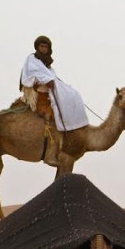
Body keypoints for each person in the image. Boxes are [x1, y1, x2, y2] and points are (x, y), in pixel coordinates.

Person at [19, 36, 88, 164]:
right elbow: (33, 74)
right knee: (50, 113)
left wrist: (52, 82)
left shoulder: (48, 65)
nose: (44, 49)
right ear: (37, 47)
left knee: (72, 96)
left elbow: (50, 76)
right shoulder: (32, 59)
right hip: (38, 92)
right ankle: (51, 147)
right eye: (41, 46)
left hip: (48, 91)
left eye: (46, 47)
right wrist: (46, 80)